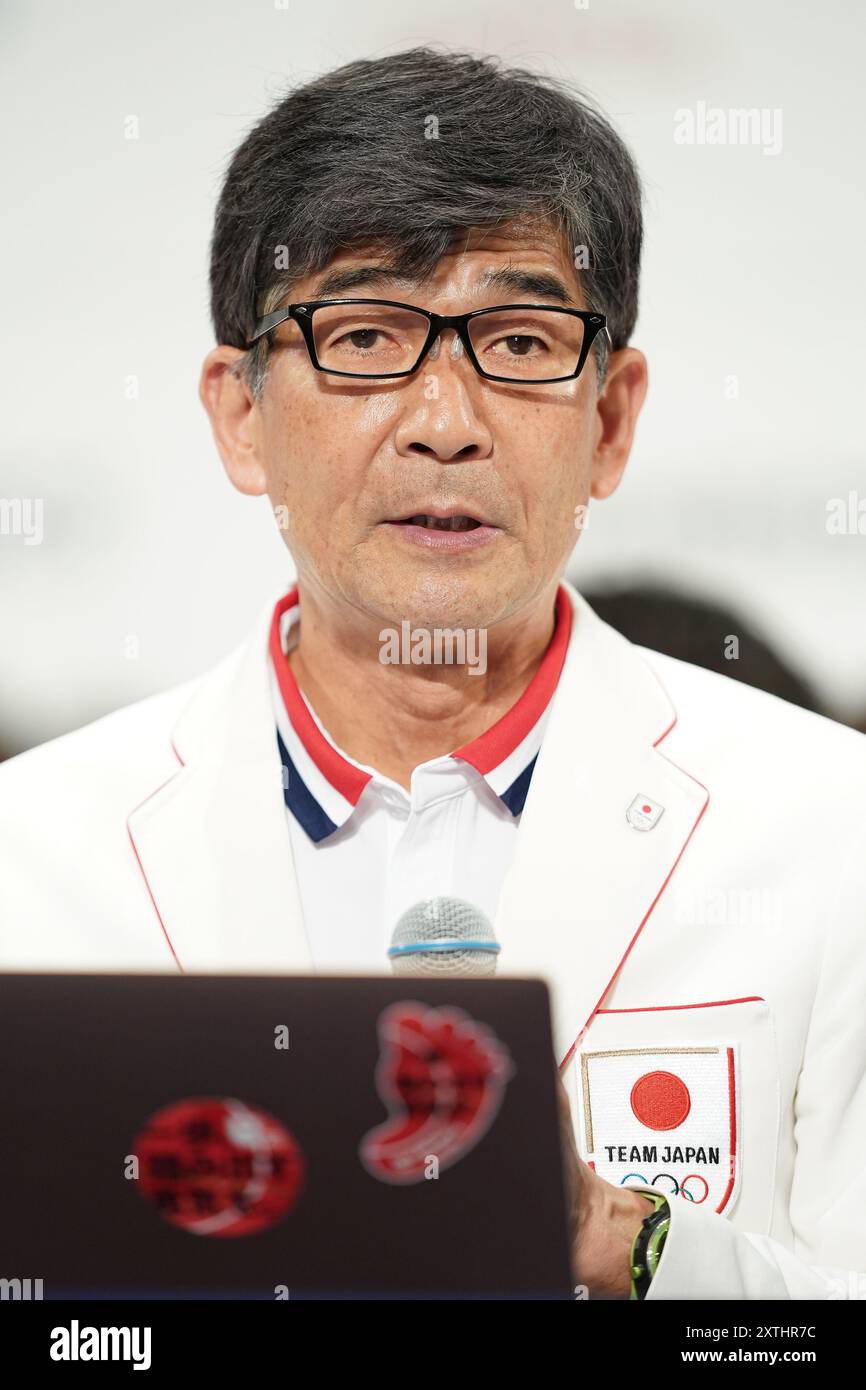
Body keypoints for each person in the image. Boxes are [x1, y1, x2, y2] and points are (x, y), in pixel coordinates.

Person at [2, 47, 865, 1301]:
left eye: (517, 340)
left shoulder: (829, 828)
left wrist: (628, 1243)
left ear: (609, 420)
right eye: (364, 337)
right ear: (241, 416)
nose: (445, 420)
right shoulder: (34, 854)